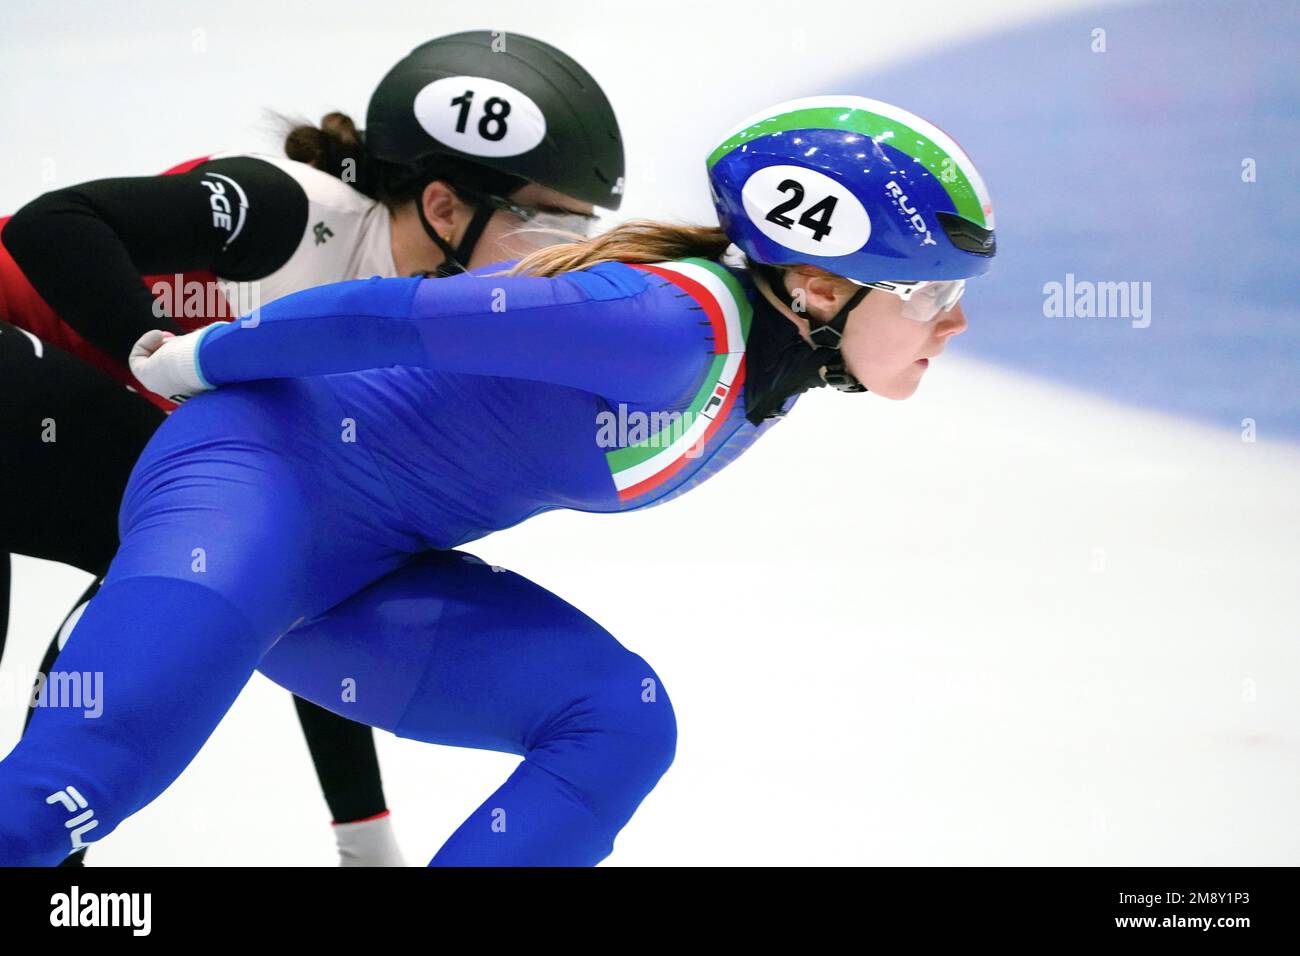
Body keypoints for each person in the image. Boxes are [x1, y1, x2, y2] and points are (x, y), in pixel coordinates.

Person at [0, 94, 995, 866]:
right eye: (932, 291)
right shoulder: (660, 325)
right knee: (62, 795)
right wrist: (192, 362)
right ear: (821, 285)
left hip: (360, 567)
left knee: (617, 718)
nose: (951, 324)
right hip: (248, 481)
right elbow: (405, 314)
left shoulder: (765, 362)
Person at [0, 30, 623, 865]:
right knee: (180, 533)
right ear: (443, 207)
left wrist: (362, 833)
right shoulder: (296, 213)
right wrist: (158, 356)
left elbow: (307, 557)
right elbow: (55, 223)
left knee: (244, 529)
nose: (566, 257)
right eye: (548, 221)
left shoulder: (414, 324)